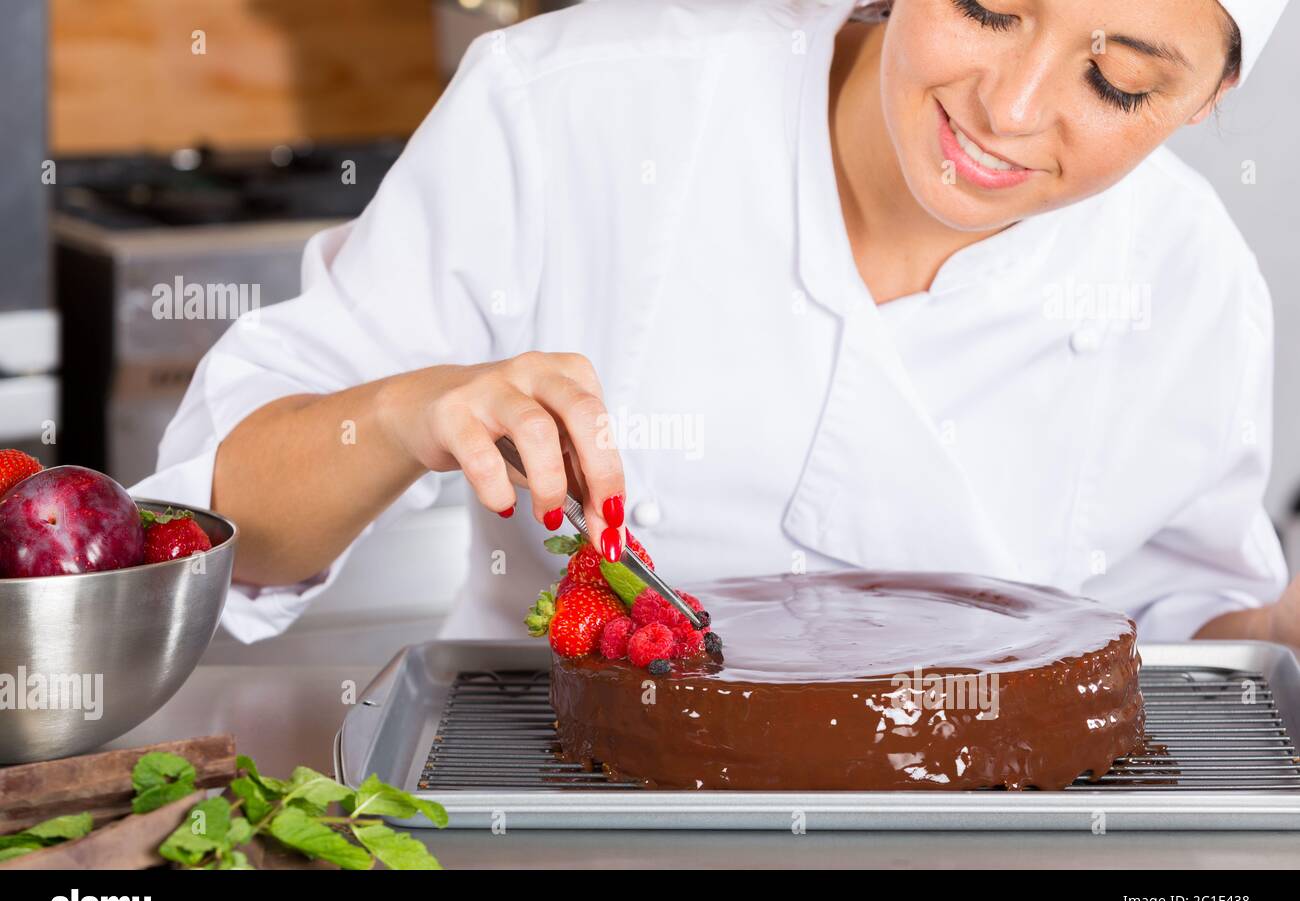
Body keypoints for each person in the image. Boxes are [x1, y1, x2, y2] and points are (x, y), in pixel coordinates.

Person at [135, 0, 1296, 649]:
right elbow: (213, 528)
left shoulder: (1187, 282)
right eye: (987, 7)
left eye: (1121, 82)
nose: (1010, 105)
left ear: (1207, 99)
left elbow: (1197, 632)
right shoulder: (574, 106)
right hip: (551, 817)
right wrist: (401, 414)